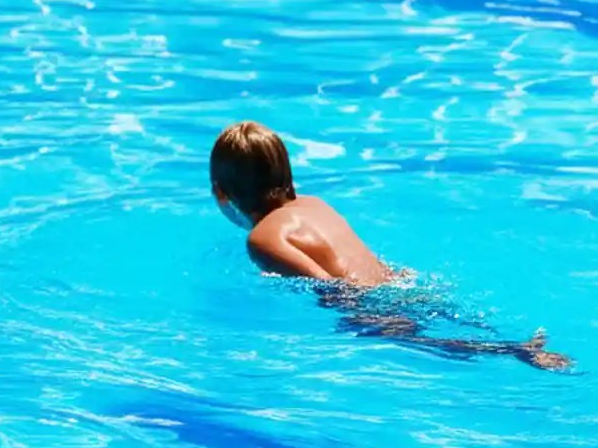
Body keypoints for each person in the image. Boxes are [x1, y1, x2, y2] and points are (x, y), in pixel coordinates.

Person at [209, 120, 572, 372]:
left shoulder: (262, 239)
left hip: (367, 302)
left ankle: (513, 352)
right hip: (398, 283)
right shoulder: (313, 204)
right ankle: (509, 342)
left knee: (422, 344)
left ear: (221, 194)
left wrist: (361, 322)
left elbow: (327, 287)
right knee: (451, 321)